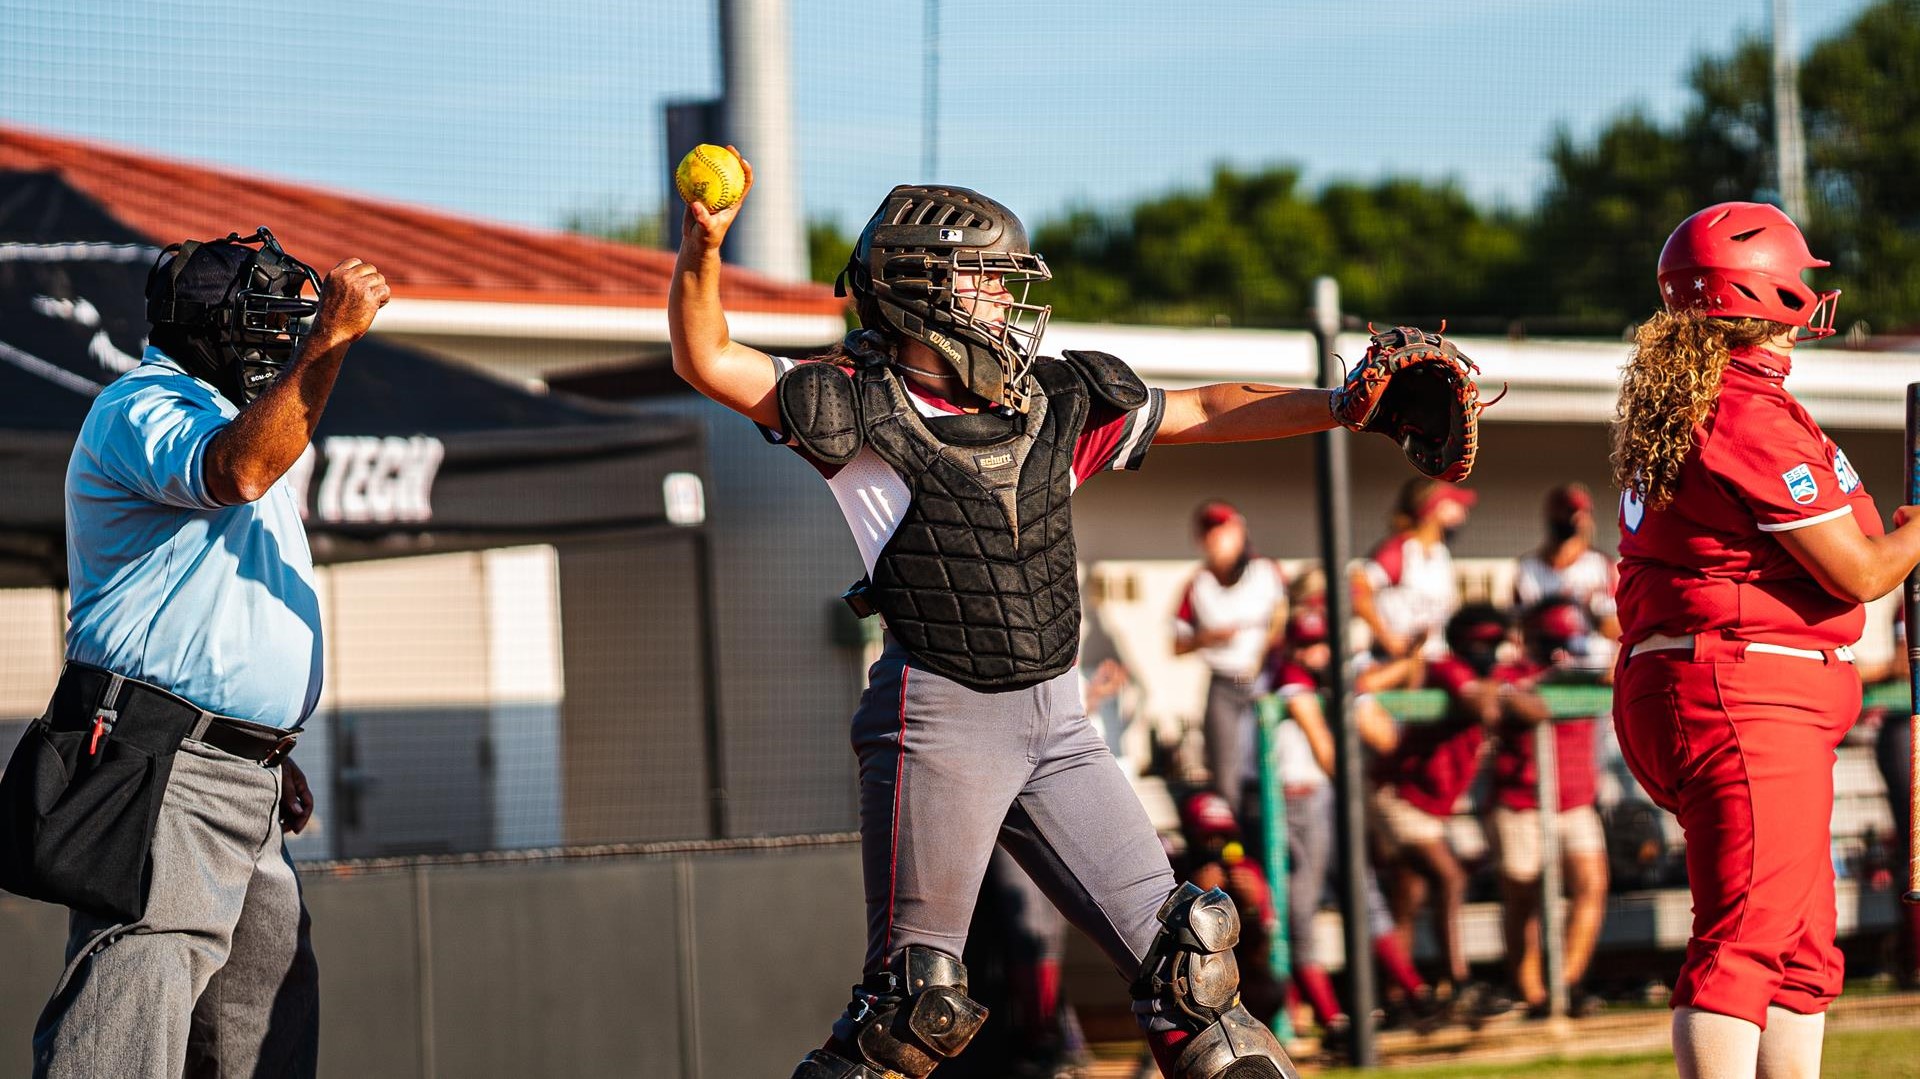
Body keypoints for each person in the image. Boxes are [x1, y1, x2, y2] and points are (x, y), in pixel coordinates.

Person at [670, 156, 1472, 1078]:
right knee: (911, 1011)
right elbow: (708, 358)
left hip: (1059, 721)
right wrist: (701, 249)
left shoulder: (1053, 399)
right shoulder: (854, 404)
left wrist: (1340, 407)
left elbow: (1203, 408)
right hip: (939, 719)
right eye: (982, 278)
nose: (1004, 301)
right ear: (918, 289)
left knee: (1191, 977)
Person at [25, 229, 389, 1077]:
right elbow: (239, 473)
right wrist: (330, 341)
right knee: (136, 991)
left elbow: (220, 598)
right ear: (205, 327)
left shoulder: (241, 419)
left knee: (261, 1017)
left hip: (236, 769)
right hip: (164, 758)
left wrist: (261, 741)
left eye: (292, 323)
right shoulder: (146, 402)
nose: (284, 337)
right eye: (263, 321)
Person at [1609, 201, 1920, 1079]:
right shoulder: (1745, 411)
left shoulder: (1722, 398)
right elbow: (1857, 572)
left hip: (1726, 686)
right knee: (1747, 942)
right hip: (1744, 691)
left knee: (1800, 948)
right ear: (1767, 291)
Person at [1258, 607, 1439, 1043]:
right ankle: (1332, 1018)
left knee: (1365, 895)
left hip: (1322, 797)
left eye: (1319, 643)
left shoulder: (1328, 674)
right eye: (1305, 644)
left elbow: (1384, 733)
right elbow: (1324, 749)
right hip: (1291, 802)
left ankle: (1416, 993)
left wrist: (1401, 665)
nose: (1312, 652)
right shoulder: (1290, 676)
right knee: (1298, 911)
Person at [1370, 604, 1530, 1025]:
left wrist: (1507, 689)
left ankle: (1401, 997)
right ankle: (1458, 983)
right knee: (1450, 875)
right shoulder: (1448, 667)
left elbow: (1525, 707)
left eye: (1496, 644)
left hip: (1427, 802)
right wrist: (1505, 690)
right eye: (1484, 643)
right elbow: (1484, 708)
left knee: (1409, 896)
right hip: (1401, 794)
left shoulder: (1487, 677)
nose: (1491, 652)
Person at [1490, 596, 1609, 1018]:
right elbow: (1522, 704)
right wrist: (1548, 680)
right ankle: (1532, 992)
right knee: (1523, 899)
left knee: (1591, 885)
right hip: (1522, 803)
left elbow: (1619, 671)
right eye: (1553, 641)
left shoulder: (1585, 667)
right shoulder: (1511, 673)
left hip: (1575, 802)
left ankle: (1568, 984)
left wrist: (1584, 672)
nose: (1562, 649)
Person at [1173, 500, 1286, 814]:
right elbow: (1177, 644)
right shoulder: (1198, 583)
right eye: (1210, 533)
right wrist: (1207, 637)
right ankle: (1241, 853)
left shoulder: (1265, 572)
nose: (1216, 539)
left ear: (1239, 531)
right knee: (1226, 779)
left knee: (1273, 769)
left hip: (1265, 680)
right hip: (1223, 683)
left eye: (1222, 530)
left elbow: (1284, 620)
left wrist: (1267, 652)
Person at [1351, 478, 1475, 670]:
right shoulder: (1400, 550)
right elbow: (1356, 591)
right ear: (1432, 509)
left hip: (1435, 657)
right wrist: (1388, 638)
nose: (1462, 513)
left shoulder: (1440, 552)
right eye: (1454, 504)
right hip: (1398, 661)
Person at [1512, 483, 1620, 671]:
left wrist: (1594, 610)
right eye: (1567, 511)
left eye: (1580, 512)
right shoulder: (1527, 567)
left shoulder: (1600, 565)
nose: (1574, 518)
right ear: (1551, 514)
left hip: (1590, 662)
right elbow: (1517, 628)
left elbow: (1617, 631)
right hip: (1542, 662)